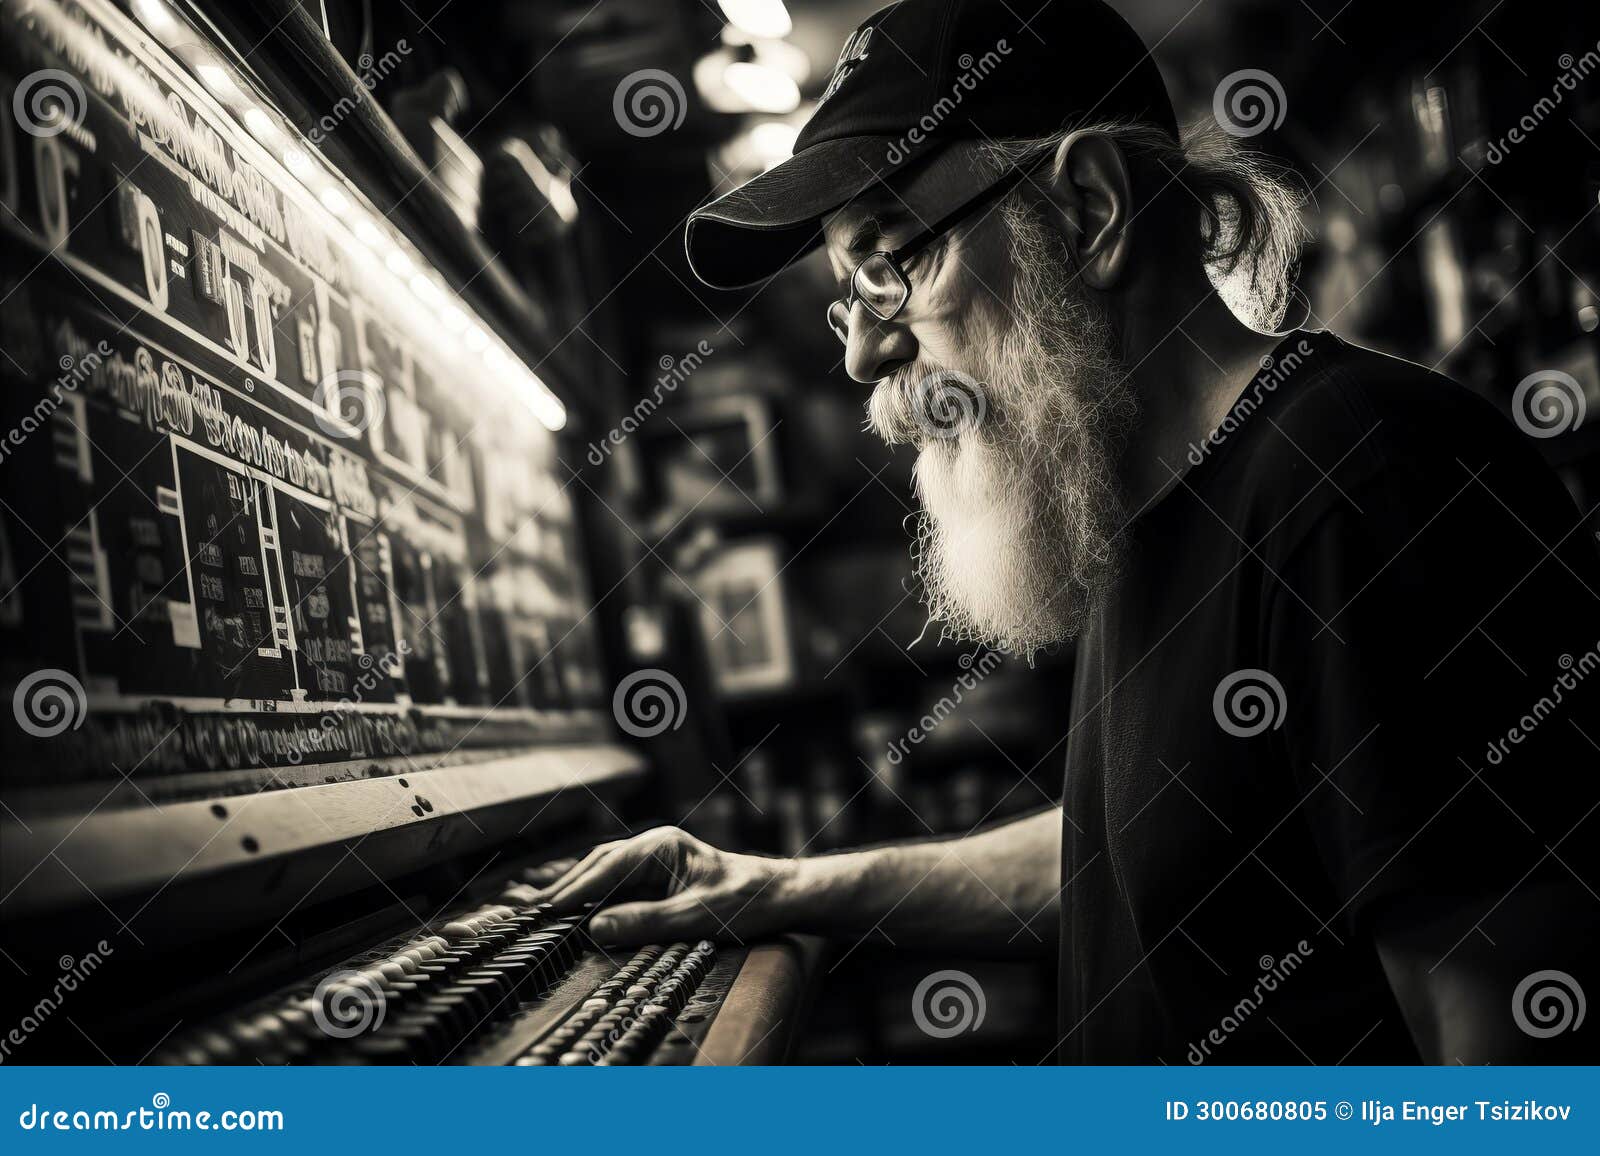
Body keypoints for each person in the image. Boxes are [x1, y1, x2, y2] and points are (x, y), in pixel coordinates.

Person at [532, 0, 1600, 1063]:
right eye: (843, 293)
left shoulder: (1369, 480)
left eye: (886, 264)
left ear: (1088, 210)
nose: (859, 355)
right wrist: (784, 886)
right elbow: (1138, 860)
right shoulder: (1151, 511)